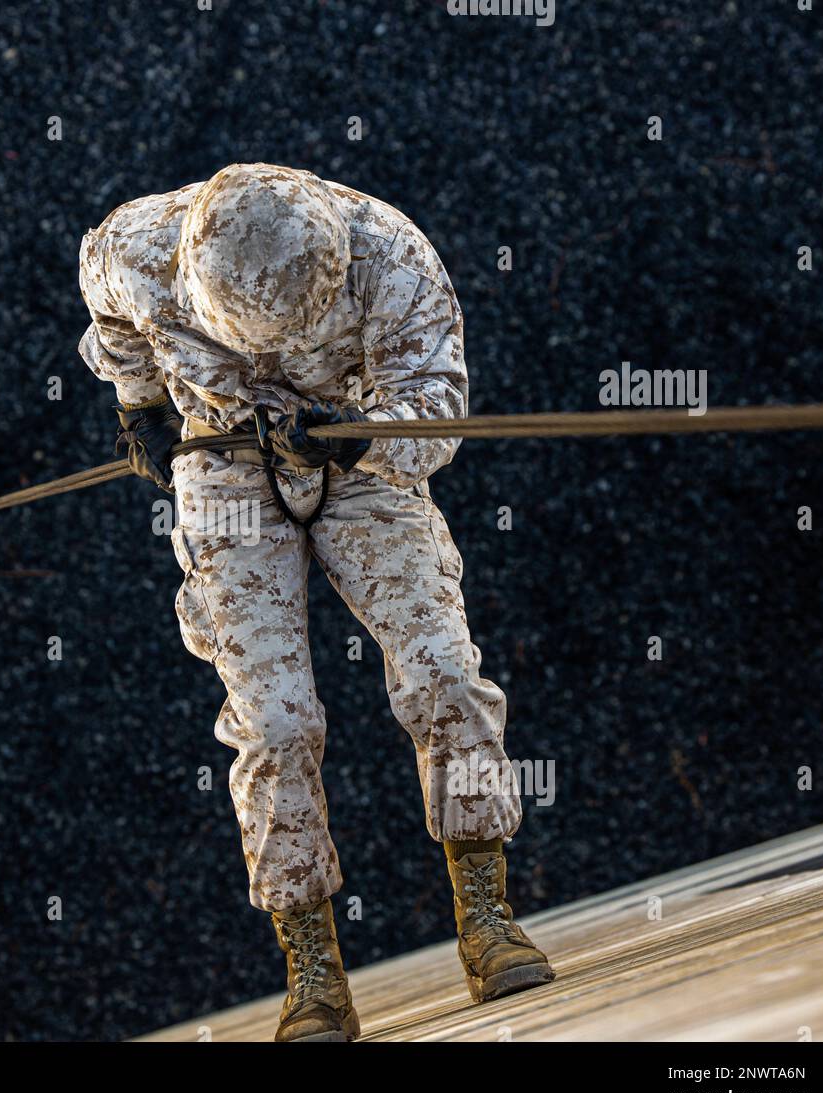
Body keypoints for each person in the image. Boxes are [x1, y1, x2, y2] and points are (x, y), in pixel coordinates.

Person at [76, 162, 555, 1041]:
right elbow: (113, 324)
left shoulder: (392, 254)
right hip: (221, 461)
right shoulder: (136, 247)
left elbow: (438, 408)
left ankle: (488, 917)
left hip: (361, 444)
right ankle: (314, 975)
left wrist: (369, 436)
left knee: (444, 674)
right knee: (274, 723)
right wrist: (138, 402)